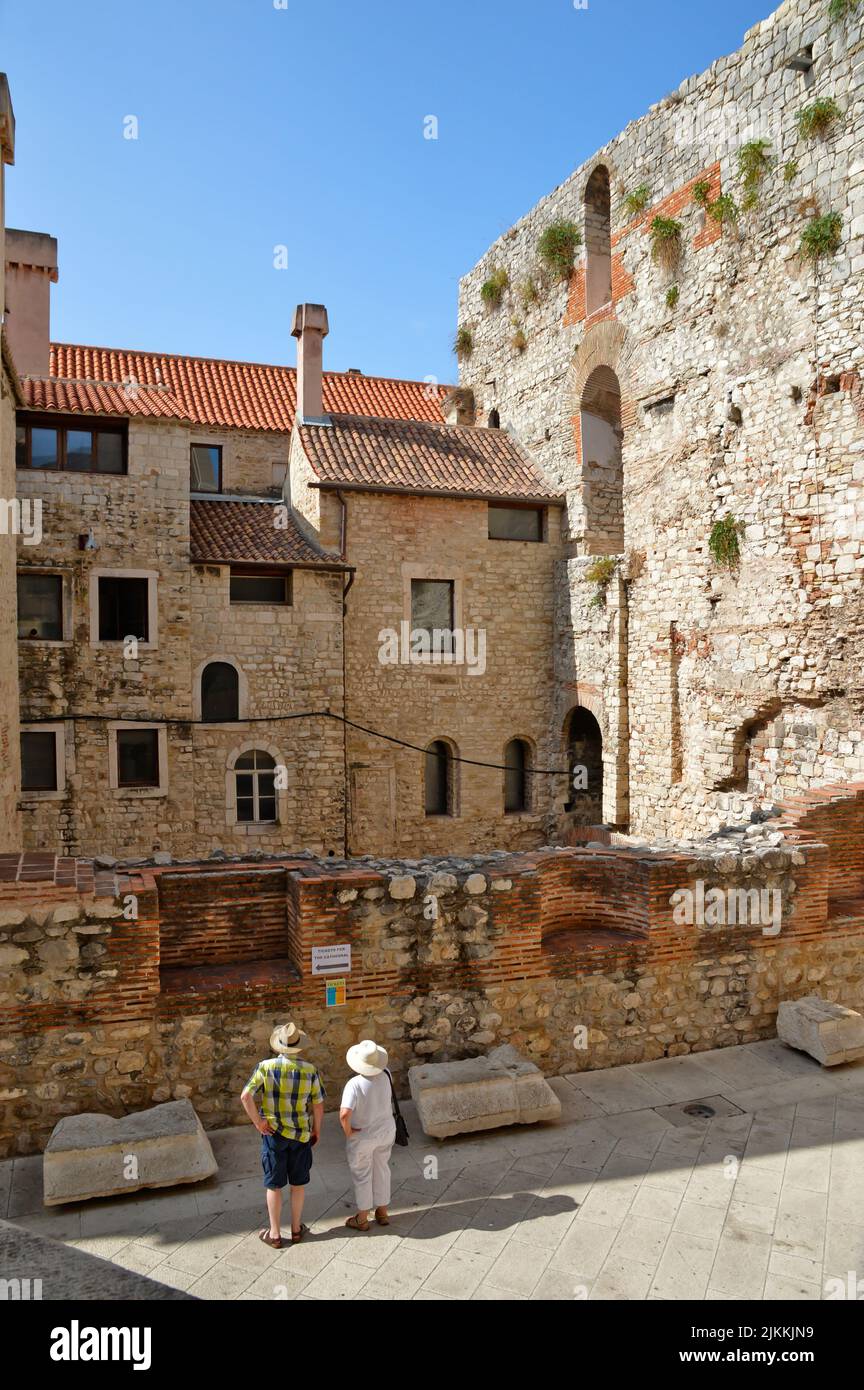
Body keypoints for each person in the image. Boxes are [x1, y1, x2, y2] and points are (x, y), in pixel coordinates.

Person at [240, 1021, 325, 1249]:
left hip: (273, 1135)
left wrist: (258, 1123)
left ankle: (275, 1234)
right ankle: (296, 1229)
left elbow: (245, 1097)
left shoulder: (265, 1067)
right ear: (299, 1045)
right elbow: (318, 1105)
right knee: (298, 1184)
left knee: (274, 1185)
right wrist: (316, 1130)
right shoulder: (310, 1070)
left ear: (278, 1045)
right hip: (301, 1135)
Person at [339, 1040, 397, 1232]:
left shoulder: (354, 1084)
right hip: (386, 1130)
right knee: (382, 1169)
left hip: (363, 1135)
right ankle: (383, 1212)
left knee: (362, 1174)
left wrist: (348, 1131)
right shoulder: (387, 1073)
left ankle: (362, 1218)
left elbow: (344, 1114)